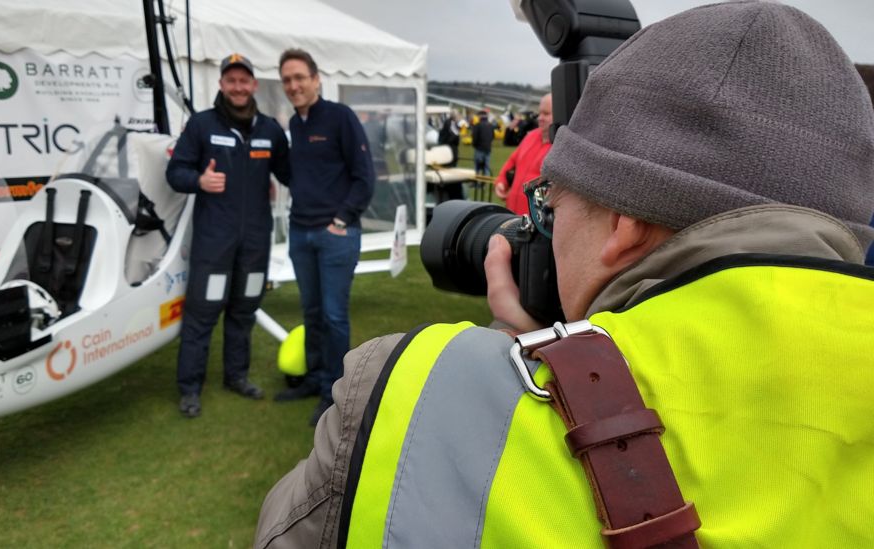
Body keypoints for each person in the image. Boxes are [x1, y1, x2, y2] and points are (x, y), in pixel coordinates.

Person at [255, 3, 874, 547]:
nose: (539, 230)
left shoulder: (412, 400)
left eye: (547, 202)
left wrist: (511, 361)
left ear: (624, 226)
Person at [166, 53, 290, 417]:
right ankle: (190, 388)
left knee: (244, 310)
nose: (238, 87)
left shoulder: (269, 130)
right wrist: (199, 180)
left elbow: (289, 173)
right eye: (231, 80)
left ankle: (236, 376)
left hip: (254, 243)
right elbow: (176, 172)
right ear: (222, 85)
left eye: (244, 80)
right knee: (202, 314)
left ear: (253, 85)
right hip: (214, 243)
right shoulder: (202, 126)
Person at [272, 48, 375, 427]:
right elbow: (297, 175)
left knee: (334, 316)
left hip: (335, 235)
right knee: (311, 311)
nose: (294, 85)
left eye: (300, 77)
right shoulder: (295, 125)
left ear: (316, 79)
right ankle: (314, 379)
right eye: (287, 80)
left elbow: (365, 176)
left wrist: (341, 218)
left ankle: (334, 392)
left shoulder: (340, 117)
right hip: (301, 233)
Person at [494, 93, 553, 214]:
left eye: (546, 114)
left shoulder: (563, 146)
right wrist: (501, 182)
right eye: (539, 113)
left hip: (538, 222)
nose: (540, 118)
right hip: (512, 214)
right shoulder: (530, 136)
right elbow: (512, 161)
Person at [471, 109, 495, 176]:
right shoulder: (490, 125)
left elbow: (474, 137)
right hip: (488, 148)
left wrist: (474, 145)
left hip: (479, 148)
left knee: (477, 167)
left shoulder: (477, 125)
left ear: (480, 116)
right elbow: (493, 136)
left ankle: (476, 182)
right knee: (486, 167)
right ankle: (485, 181)